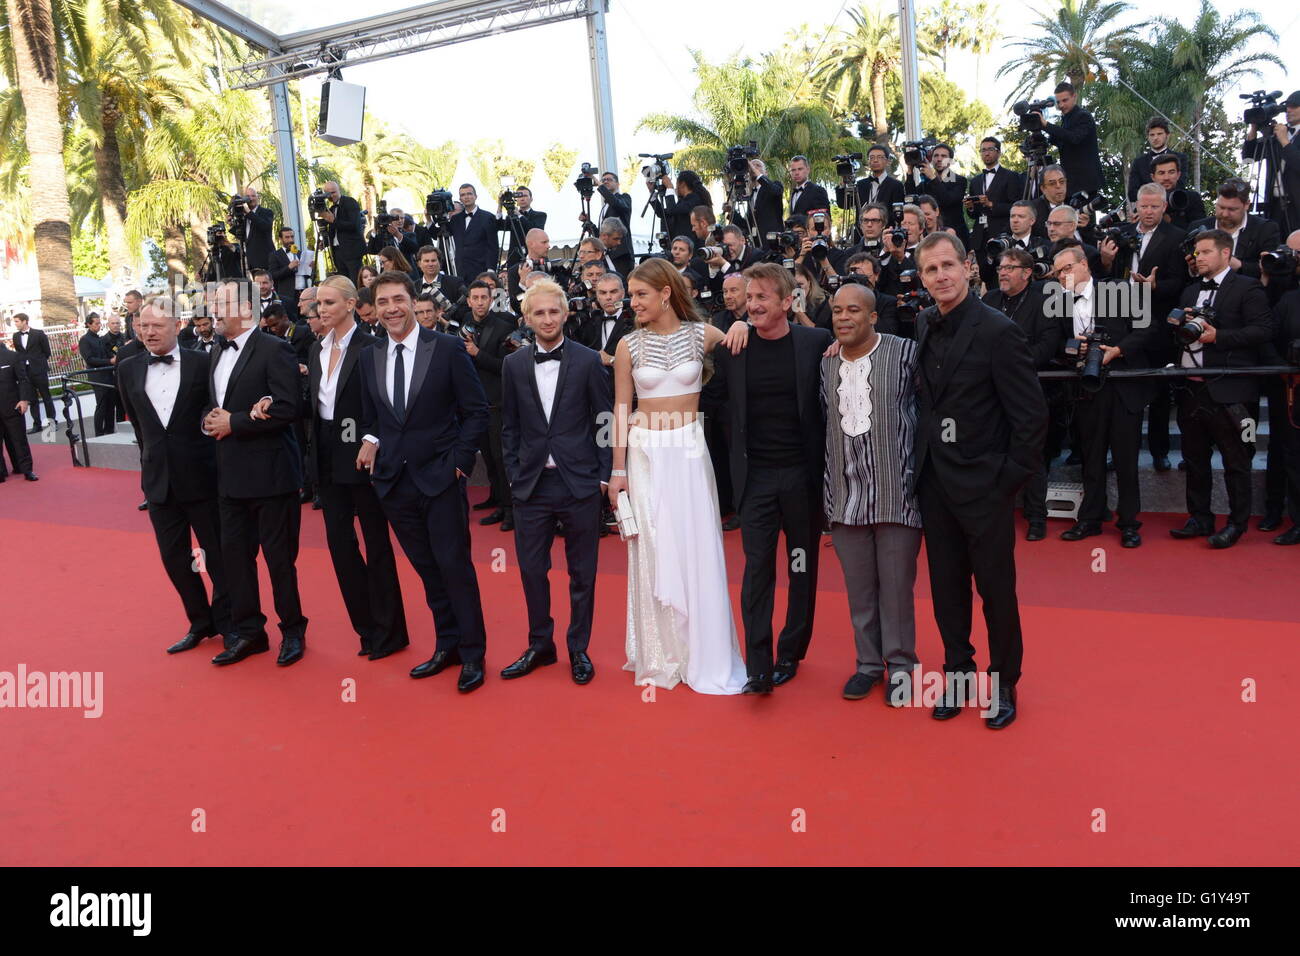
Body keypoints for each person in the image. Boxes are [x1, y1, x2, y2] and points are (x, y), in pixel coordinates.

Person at [912, 232, 1047, 729]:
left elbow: (1030, 417)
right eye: (931, 270)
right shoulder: (925, 322)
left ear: (968, 267)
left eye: (948, 265)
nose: (941, 276)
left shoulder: (999, 330)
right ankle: (958, 673)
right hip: (935, 483)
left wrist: (1006, 482)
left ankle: (1005, 681)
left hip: (985, 484)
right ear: (923, 277)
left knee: (996, 589)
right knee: (946, 589)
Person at [607, 258, 747, 694]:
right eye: (630, 295)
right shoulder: (629, 345)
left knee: (697, 545)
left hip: (688, 451)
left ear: (666, 293)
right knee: (654, 547)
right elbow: (621, 409)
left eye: (640, 294)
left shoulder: (702, 335)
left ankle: (702, 652)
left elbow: (749, 352)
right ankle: (664, 653)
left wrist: (741, 327)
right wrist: (616, 470)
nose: (633, 303)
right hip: (646, 454)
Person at [356, 271, 491, 694]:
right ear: (374, 310)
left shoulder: (447, 348)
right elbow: (373, 416)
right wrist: (370, 439)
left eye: (398, 299)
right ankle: (446, 644)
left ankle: (472, 653)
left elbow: (477, 411)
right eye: (383, 302)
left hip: (441, 477)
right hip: (394, 482)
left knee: (454, 567)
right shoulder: (370, 355)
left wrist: (459, 464)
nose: (391, 308)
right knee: (427, 570)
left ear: (414, 302)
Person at [703, 263, 833, 693]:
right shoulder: (733, 348)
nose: (752, 304)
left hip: (802, 478)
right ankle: (758, 665)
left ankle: (790, 652)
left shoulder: (816, 343)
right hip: (755, 479)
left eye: (762, 298)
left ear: (786, 301)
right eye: (749, 297)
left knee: (801, 567)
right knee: (757, 568)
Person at [498, 278, 612, 684]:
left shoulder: (587, 360)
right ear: (526, 319)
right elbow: (508, 425)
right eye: (538, 313)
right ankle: (540, 644)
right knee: (531, 570)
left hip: (579, 483)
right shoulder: (513, 365)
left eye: (553, 311)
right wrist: (513, 471)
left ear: (565, 313)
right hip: (531, 485)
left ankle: (577, 648)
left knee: (582, 573)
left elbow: (604, 420)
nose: (547, 319)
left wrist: (603, 475)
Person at [821, 282, 922, 702]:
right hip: (846, 495)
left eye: (854, 311)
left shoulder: (905, 353)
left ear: (873, 317)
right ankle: (867, 664)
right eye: (837, 311)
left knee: (896, 589)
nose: (844, 318)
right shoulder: (825, 364)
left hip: (897, 492)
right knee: (859, 589)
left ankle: (900, 666)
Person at [203, 276, 308, 667]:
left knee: (279, 560)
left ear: (246, 309)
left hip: (271, 475)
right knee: (235, 559)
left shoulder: (275, 349)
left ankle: (293, 631)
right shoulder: (215, 351)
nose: (213, 309)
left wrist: (237, 422)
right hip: (229, 476)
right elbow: (213, 407)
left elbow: (286, 408)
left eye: (221, 303)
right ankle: (249, 633)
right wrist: (211, 424)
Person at [303, 276, 409, 659]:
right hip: (327, 461)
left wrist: (373, 438)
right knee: (340, 546)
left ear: (350, 304)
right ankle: (366, 628)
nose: (322, 309)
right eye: (319, 303)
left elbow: (389, 402)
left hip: (365, 460)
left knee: (377, 546)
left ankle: (391, 631)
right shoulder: (316, 350)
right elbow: (315, 409)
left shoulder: (373, 347)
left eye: (329, 302)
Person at [116, 298, 231, 653]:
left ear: (177, 326)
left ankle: (229, 623)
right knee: (175, 559)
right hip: (158, 480)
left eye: (157, 326)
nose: (149, 333)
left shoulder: (203, 361)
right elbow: (138, 423)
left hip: (202, 475)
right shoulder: (127, 367)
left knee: (219, 555)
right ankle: (200, 622)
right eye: (143, 326)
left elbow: (213, 409)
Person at [1169, 229, 1273, 549]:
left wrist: (1219, 337)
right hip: (1191, 390)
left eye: (1205, 252)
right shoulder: (1189, 292)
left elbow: (1263, 330)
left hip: (1233, 394)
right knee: (1195, 460)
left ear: (1225, 254)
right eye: (1197, 253)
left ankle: (1237, 524)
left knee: (1237, 461)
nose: (1198, 257)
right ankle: (1199, 517)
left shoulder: (1247, 287)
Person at [1053, 243, 1156, 549]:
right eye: (1058, 272)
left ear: (1085, 265)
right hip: (1086, 390)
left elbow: (1149, 327)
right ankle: (1090, 519)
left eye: (1067, 268)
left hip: (1123, 388)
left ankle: (1128, 523)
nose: (1062, 276)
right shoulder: (1058, 303)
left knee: (1125, 460)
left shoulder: (1118, 289)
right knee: (1091, 458)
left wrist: (1119, 350)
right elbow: (1056, 343)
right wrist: (1072, 349)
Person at [982, 247, 1064, 539]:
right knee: (991, 453)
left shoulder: (1045, 300)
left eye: (1009, 268)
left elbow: (1047, 345)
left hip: (1029, 390)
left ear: (1027, 273)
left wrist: (1004, 361)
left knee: (1031, 455)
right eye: (1001, 267)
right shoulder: (990, 299)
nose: (1002, 272)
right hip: (991, 392)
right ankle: (993, 512)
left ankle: (1036, 518)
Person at [461, 280, 518, 531]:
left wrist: (477, 353)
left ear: (491, 299)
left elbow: (507, 366)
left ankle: (510, 510)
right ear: (469, 301)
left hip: (498, 403)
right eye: (475, 297)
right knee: (488, 457)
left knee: (501, 458)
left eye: (484, 297)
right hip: (475, 405)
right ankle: (496, 499)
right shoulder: (464, 324)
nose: (480, 302)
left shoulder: (504, 327)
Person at [968, 137, 1023, 288]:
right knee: (986, 277)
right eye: (983, 150)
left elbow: (1015, 207)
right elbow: (974, 215)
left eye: (990, 149)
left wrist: (992, 204)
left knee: (1004, 276)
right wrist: (970, 207)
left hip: (1001, 234)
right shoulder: (975, 181)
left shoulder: (1011, 176)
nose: (986, 153)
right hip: (980, 238)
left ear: (998, 152)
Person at [1037, 81, 1103, 195]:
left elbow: (1074, 138)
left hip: (1085, 182)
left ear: (1074, 97)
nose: (1061, 105)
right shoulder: (1066, 118)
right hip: (1070, 181)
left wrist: (1046, 125)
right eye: (1058, 102)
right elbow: (1063, 141)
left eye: (1065, 100)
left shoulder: (1083, 116)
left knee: (1084, 213)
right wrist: (1042, 130)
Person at [10, 314, 54, 434]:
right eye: (15, 322)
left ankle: (52, 423)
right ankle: (37, 425)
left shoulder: (39, 334)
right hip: (25, 371)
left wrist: (38, 363)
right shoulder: (16, 336)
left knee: (46, 397)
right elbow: (19, 353)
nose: (16, 324)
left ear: (25, 321)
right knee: (32, 399)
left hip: (39, 370)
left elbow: (47, 352)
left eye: (17, 321)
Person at [1128, 116, 1188, 202]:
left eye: (1159, 134)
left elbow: (1181, 185)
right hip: (1146, 208)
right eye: (1152, 135)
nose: (1155, 138)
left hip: (1174, 208)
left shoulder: (1181, 158)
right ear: (1148, 137)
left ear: (1167, 135)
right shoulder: (1139, 162)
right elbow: (1132, 193)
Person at [0, 340, 36, 482]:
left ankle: (27, 470)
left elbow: (23, 379)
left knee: (19, 439)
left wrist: (24, 400)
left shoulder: (12, 356)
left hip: (12, 405)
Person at [449, 184, 498, 280]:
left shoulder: (488, 217)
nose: (466, 197)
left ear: (475, 196)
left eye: (469, 194)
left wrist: (491, 269)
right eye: (463, 195)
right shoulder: (455, 219)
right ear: (460, 198)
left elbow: (493, 246)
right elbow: (438, 234)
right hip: (460, 271)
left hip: (481, 270)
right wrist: (429, 219)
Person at [319, 181, 365, 282]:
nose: (332, 196)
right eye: (328, 194)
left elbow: (354, 225)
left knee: (355, 282)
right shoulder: (331, 208)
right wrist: (325, 243)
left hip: (352, 251)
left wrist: (333, 221)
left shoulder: (350, 202)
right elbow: (334, 232)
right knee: (344, 282)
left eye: (334, 192)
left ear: (339, 190)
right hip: (337, 252)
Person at [78, 314, 116, 435]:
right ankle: (99, 433)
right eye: (96, 323)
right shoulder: (84, 340)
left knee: (111, 405)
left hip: (108, 375)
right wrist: (109, 361)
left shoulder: (100, 339)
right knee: (101, 405)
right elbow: (90, 359)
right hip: (97, 377)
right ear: (89, 324)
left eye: (100, 323)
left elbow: (107, 353)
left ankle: (110, 431)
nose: (99, 326)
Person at [650, 170, 712, 241]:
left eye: (677, 183)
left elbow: (671, 210)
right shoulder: (683, 202)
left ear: (682, 184)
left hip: (692, 248)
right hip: (680, 247)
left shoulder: (695, 200)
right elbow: (663, 214)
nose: (676, 187)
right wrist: (652, 193)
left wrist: (670, 187)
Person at [269, 227, 307, 320]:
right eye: (287, 237)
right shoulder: (275, 255)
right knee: (291, 320)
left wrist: (310, 268)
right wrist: (288, 268)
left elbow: (306, 274)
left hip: (303, 293)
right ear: (281, 239)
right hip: (288, 294)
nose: (291, 240)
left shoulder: (300, 253)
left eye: (292, 237)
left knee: (305, 319)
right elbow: (273, 275)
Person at [238, 186, 276, 271]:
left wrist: (249, 213)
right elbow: (242, 235)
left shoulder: (266, 212)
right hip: (251, 261)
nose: (250, 199)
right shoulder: (244, 216)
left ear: (257, 197)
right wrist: (231, 223)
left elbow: (265, 226)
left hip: (265, 259)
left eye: (253, 196)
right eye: (248, 196)